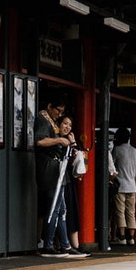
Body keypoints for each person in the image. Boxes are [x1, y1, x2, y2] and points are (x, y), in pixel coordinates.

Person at [33, 97, 81, 258]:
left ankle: (65, 245)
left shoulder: (52, 124)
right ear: (49, 106)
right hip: (49, 172)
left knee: (60, 209)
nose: (59, 114)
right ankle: (48, 244)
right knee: (55, 208)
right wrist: (59, 140)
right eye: (58, 111)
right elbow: (40, 141)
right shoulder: (43, 120)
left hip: (56, 173)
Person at [58, 115, 88, 251]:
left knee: (71, 211)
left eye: (70, 125)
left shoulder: (70, 142)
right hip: (58, 181)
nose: (67, 127)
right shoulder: (56, 141)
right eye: (65, 123)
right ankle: (62, 244)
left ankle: (75, 245)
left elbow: (79, 160)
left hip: (68, 181)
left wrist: (73, 142)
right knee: (60, 213)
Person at [110, 127, 136, 246]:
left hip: (120, 186)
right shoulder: (135, 151)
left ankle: (122, 237)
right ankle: (131, 238)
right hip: (132, 186)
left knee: (120, 212)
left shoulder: (116, 150)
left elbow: (112, 167)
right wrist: (135, 186)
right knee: (131, 212)